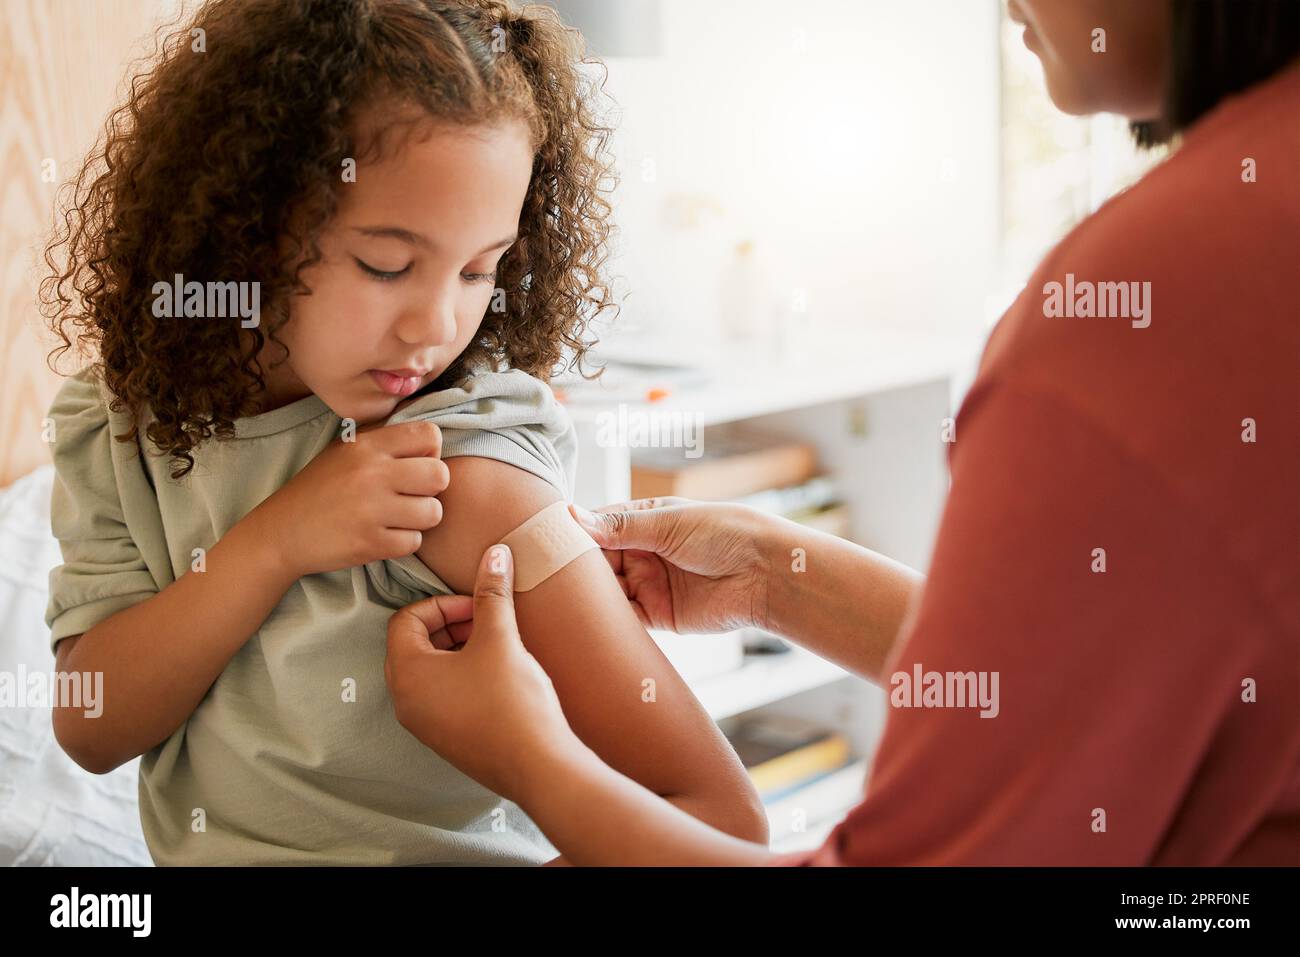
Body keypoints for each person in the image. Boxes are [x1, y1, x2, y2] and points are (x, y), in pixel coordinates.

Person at [385, 0, 1300, 865]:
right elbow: (1097, 685)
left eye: (479, 269)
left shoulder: (1145, 312)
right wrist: (770, 577)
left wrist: (537, 760)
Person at [43, 0, 765, 865]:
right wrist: (276, 542)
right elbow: (90, 726)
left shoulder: (460, 473)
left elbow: (721, 819)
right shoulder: (122, 424)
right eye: (386, 265)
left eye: (477, 270)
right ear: (248, 227)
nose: (434, 325)